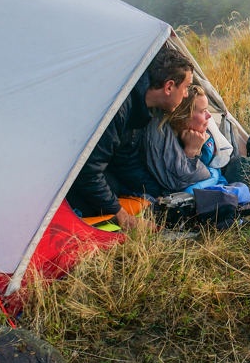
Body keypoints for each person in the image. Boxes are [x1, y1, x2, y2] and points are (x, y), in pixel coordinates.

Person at [66, 44, 193, 230]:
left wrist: (156, 195)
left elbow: (128, 161)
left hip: (102, 171)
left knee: (119, 186)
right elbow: (88, 171)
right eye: (186, 87)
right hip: (66, 178)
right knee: (108, 187)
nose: (186, 94)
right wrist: (122, 216)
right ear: (169, 87)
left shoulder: (142, 108)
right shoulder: (119, 108)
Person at [144, 84, 250, 196]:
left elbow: (208, 170)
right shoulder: (167, 141)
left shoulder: (205, 137)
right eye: (202, 111)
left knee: (241, 165)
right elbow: (183, 179)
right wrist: (191, 151)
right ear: (184, 117)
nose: (209, 116)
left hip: (216, 180)